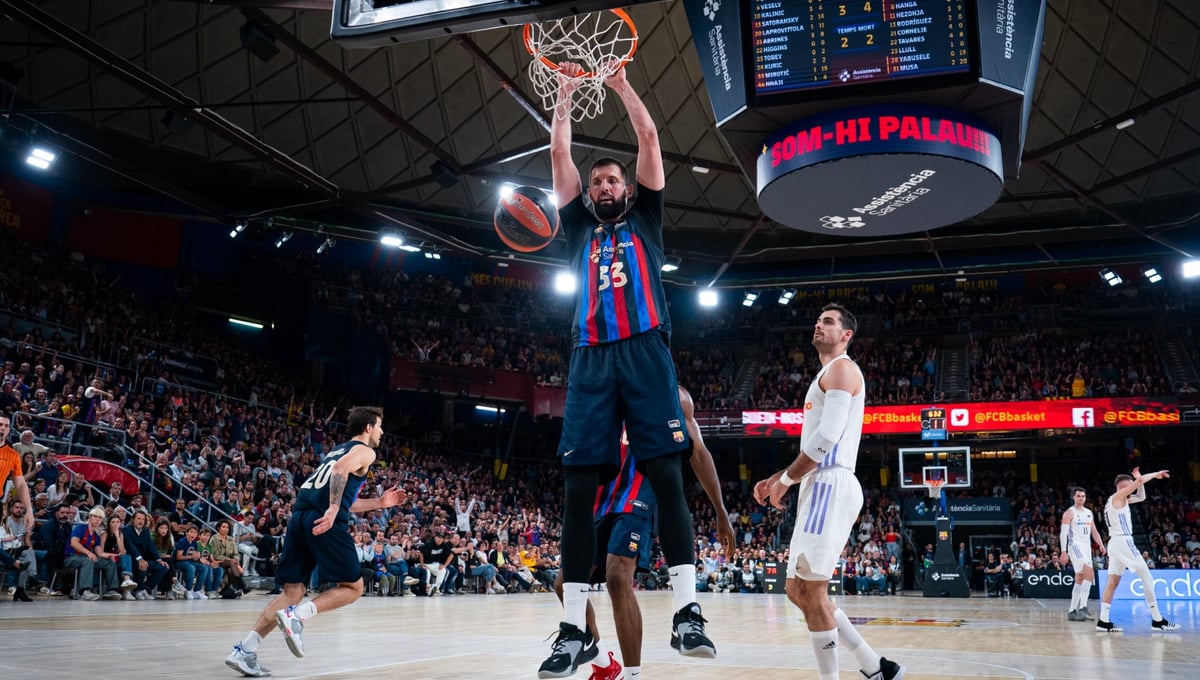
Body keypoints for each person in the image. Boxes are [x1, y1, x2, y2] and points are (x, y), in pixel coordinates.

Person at [541, 58, 712, 677]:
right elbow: (559, 152)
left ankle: (688, 611)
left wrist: (619, 85)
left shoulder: (646, 218)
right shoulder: (577, 228)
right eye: (598, 182)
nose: (605, 185)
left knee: (665, 473)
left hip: (644, 349)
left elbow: (649, 137)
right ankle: (571, 632)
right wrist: (564, 95)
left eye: (613, 179)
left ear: (629, 189)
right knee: (576, 490)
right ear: (589, 195)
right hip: (591, 357)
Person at [754, 304, 904, 680]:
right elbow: (817, 443)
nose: (818, 325)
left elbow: (827, 438)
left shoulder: (842, 368)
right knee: (797, 589)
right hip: (820, 483)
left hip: (829, 483)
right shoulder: (828, 372)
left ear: (846, 334)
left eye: (828, 321)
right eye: (818, 320)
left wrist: (785, 482)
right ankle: (876, 667)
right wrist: (780, 476)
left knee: (811, 591)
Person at [547, 385, 736, 680]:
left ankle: (634, 675)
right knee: (563, 583)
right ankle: (603, 662)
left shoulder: (675, 395)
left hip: (638, 495)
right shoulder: (602, 390)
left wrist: (721, 511)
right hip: (599, 497)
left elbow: (698, 453)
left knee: (618, 576)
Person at [225, 407, 406, 677]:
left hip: (300, 516)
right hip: (323, 519)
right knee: (354, 587)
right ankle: (297, 617)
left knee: (292, 592)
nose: (381, 432)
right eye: (379, 426)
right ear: (368, 427)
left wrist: (379, 502)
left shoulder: (337, 450)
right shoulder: (366, 451)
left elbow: (344, 495)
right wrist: (332, 509)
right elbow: (340, 473)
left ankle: (244, 651)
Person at [1096, 468, 1180, 633]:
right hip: (1123, 541)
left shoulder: (1119, 500)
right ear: (1123, 486)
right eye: (1130, 485)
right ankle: (1157, 620)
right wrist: (1154, 475)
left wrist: (1139, 480)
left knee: (1113, 582)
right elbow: (1139, 483)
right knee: (1147, 578)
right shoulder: (1118, 497)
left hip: (1115, 543)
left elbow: (1141, 497)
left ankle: (1103, 621)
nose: (1132, 488)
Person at [1058, 486, 1105, 620]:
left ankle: (1072, 611)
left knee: (1080, 577)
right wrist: (1063, 551)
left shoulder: (1089, 513)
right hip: (1075, 546)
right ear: (1073, 497)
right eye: (1078, 496)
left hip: (1086, 547)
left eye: (1083, 496)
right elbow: (1063, 534)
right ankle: (1083, 607)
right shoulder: (1069, 513)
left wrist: (1101, 544)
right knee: (1089, 574)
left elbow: (1094, 531)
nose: (1081, 498)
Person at [0, 416, 35, 542]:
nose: (2, 428)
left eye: (6, 426)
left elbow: (20, 484)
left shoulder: (13, 455)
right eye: (0, 424)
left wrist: (29, 510)